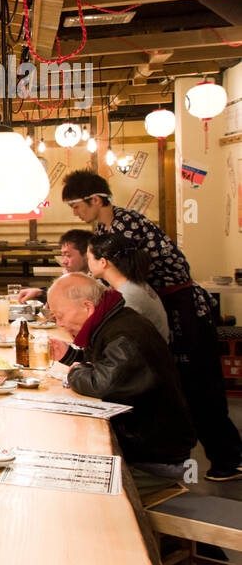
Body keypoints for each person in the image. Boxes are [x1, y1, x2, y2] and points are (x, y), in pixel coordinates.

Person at [61, 168, 242, 482]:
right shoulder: (107, 226)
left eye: (76, 206)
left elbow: (121, 273)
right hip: (163, 303)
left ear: (95, 199)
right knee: (184, 384)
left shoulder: (126, 223)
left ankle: (229, 459)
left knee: (199, 387)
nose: (75, 213)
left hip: (183, 306)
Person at [46, 274, 196, 499]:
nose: (59, 324)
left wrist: (75, 370)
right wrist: (70, 356)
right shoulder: (113, 321)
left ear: (87, 307)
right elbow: (103, 365)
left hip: (154, 461)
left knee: (69, 492)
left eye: (60, 316)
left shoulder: (124, 334)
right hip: (146, 447)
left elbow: (101, 383)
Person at [86, 232, 170, 343]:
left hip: (147, 357)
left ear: (102, 262)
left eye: (88, 258)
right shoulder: (132, 285)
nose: (88, 263)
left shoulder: (128, 295)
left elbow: (117, 339)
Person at [13, 228, 92, 302]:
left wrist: (70, 282)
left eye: (68, 255)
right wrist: (40, 293)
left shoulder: (97, 282)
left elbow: (79, 305)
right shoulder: (79, 276)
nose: (64, 261)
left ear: (87, 255)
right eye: (63, 255)